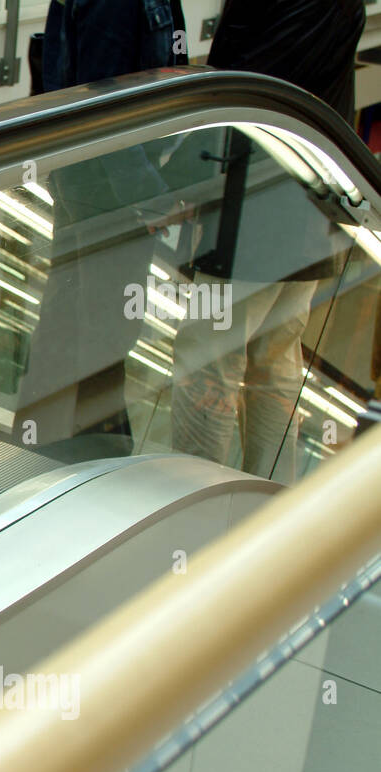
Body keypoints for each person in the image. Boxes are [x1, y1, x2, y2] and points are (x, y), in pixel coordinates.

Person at [167, 0, 365, 481]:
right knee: (275, 361)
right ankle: (272, 495)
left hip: (245, 215)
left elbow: (232, 91)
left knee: (207, 362)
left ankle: (193, 498)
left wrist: (181, 181)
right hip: (313, 207)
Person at [19, 0, 188, 461]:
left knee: (83, 321)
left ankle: (57, 445)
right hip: (105, 189)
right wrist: (149, 197)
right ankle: (83, 453)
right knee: (101, 327)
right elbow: (106, 106)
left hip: (98, 182)